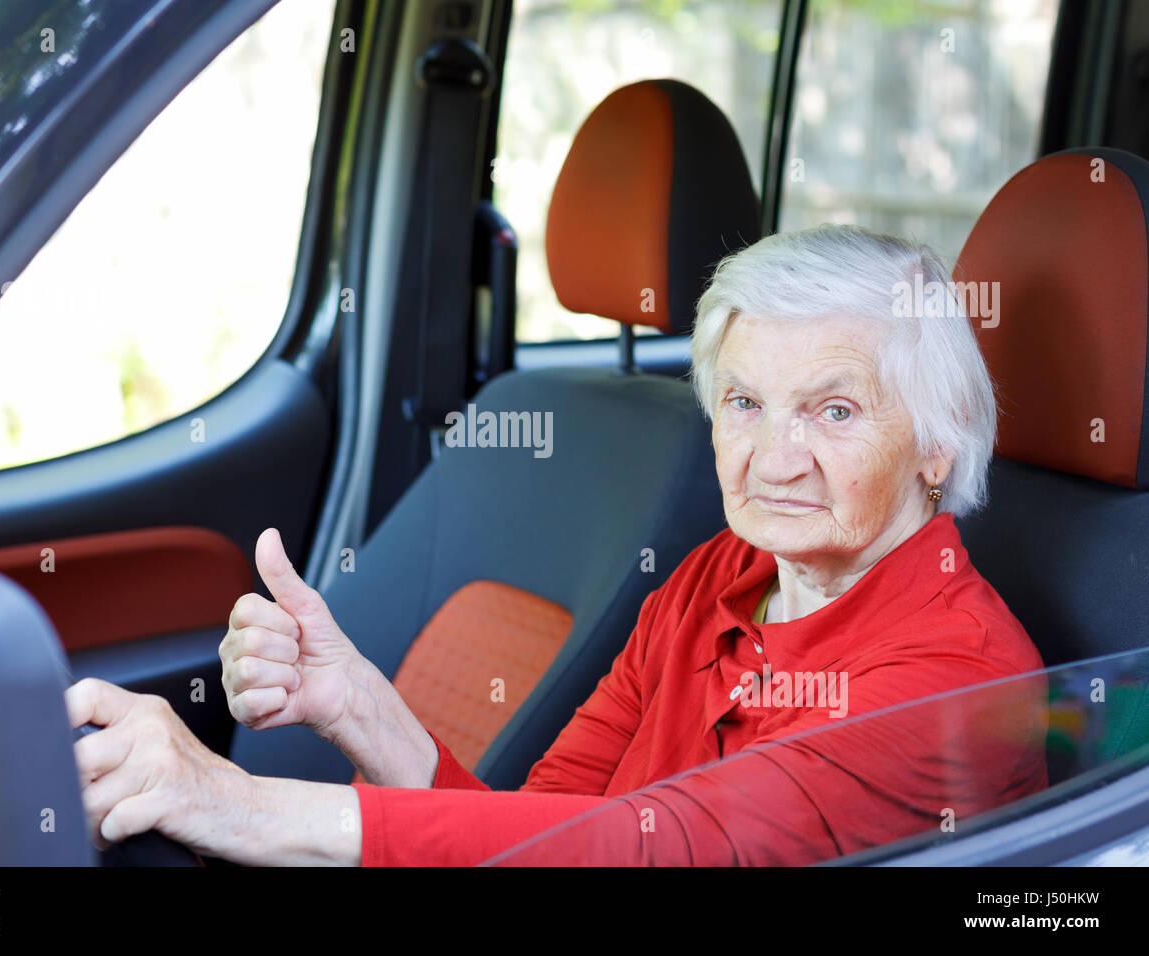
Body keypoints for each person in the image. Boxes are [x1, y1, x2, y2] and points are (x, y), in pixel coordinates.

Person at [66, 224, 1049, 865]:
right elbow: (543, 832)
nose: (774, 457)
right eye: (745, 402)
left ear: (936, 444)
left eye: (832, 410)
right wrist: (359, 705)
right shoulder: (718, 577)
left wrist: (231, 801)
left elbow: (649, 848)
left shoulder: (955, 679)